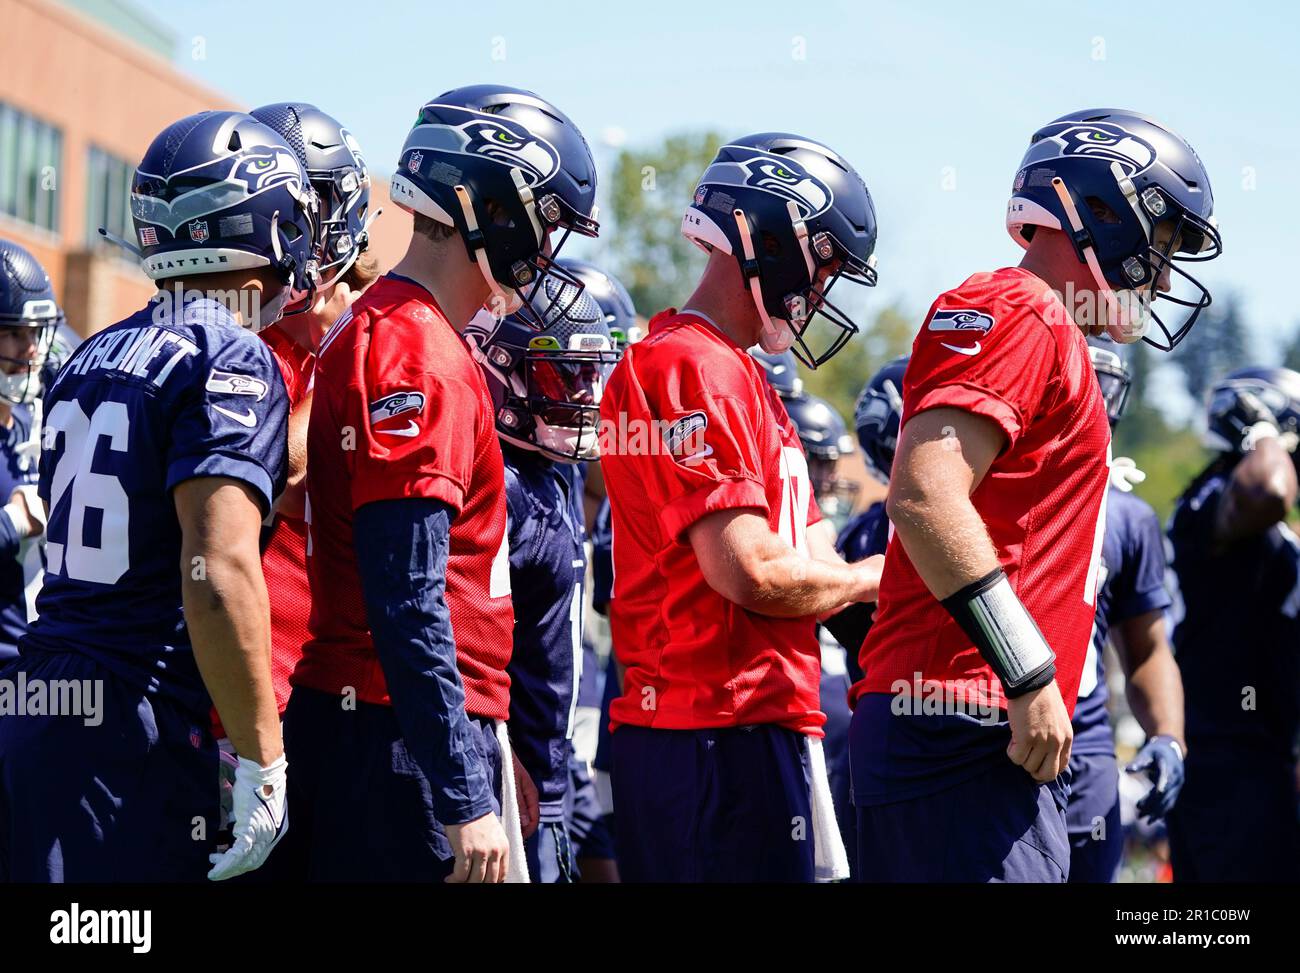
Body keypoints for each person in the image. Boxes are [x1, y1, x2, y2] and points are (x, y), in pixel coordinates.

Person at [849, 108, 1221, 883]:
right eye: (1160, 243)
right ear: (1106, 212)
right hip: (960, 717)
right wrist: (1025, 671)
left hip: (977, 722)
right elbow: (923, 493)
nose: (1160, 272)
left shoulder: (1055, 332)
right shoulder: (1022, 308)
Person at [287, 84, 599, 883]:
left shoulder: (381, 325)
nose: (551, 250)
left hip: (392, 726)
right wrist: (463, 788)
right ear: (493, 206)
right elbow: (407, 595)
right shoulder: (417, 350)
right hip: (393, 736)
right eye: (549, 222)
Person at [0, 110, 314, 881]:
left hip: (39, 693)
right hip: (125, 719)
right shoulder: (229, 352)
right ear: (263, 221)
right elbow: (218, 569)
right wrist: (262, 761)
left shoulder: (97, 348)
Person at [601, 132, 883, 882]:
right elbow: (750, 570)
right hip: (708, 730)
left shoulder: (742, 373)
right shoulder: (692, 364)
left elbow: (809, 553)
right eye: (822, 262)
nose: (821, 288)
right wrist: (871, 578)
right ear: (771, 239)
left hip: (753, 722)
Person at [466, 278, 619, 882]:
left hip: (545, 764)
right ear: (503, 369)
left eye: (586, 375)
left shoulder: (550, 474)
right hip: (503, 766)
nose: (581, 396)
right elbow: (460, 635)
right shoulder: (496, 480)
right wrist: (494, 752)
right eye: (563, 377)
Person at [1166, 366, 1300, 881]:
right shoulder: (1223, 496)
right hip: (1227, 758)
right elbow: (1269, 488)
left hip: (1252, 756)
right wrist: (1265, 434)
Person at [1067, 343, 1185, 883]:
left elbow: (1147, 649)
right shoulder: (986, 484)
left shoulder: (1128, 516)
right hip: (983, 730)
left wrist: (1166, 736)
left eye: (1105, 385)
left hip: (1083, 741)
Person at [0, 240, 61, 661]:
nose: (31, 349)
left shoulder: (30, 420)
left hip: (37, 665)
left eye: (35, 333)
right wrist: (13, 521)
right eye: (13, 333)